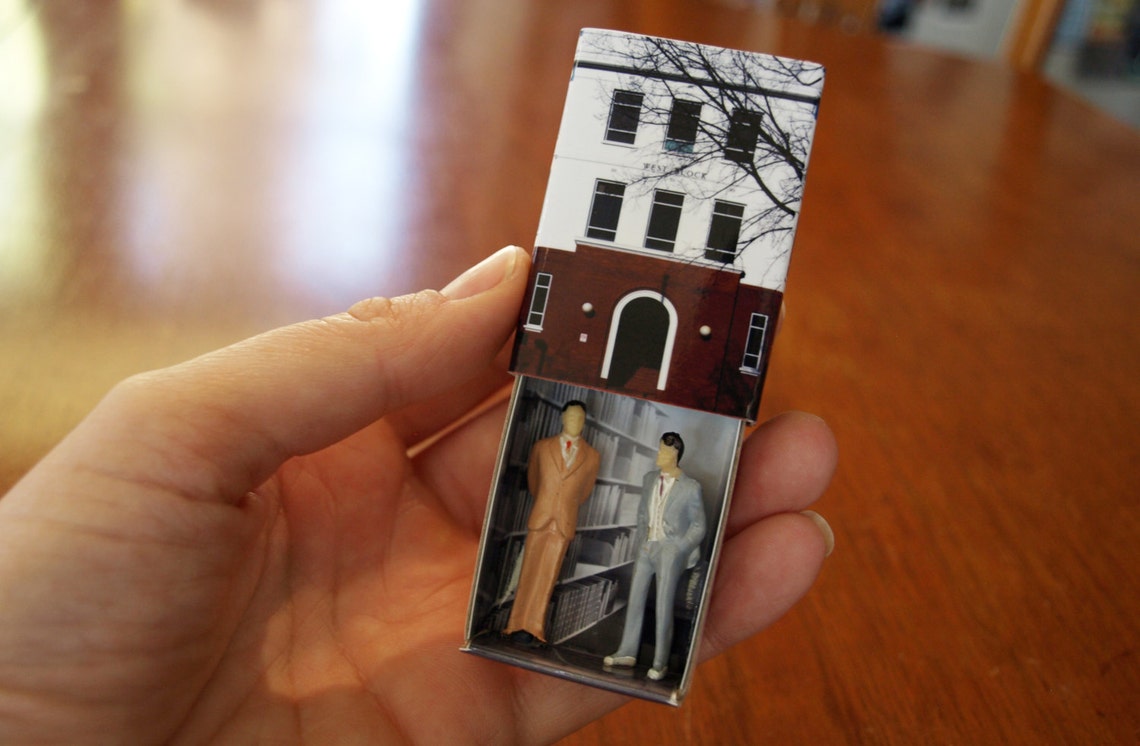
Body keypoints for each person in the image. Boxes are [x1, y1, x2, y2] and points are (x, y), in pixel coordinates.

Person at [0, 245, 837, 743]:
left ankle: (623, 645)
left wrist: (671, 543)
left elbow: (667, 522)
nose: (595, 429)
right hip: (540, 525)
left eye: (652, 442)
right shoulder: (550, 445)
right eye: (584, 415)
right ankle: (536, 624)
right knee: (530, 583)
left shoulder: (657, 479)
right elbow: (535, 475)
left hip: (599, 536)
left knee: (642, 607)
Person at [604, 432, 705, 680]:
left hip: (669, 550)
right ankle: (627, 651)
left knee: (663, 604)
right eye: (659, 450)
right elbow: (642, 513)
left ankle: (660, 662)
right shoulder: (649, 479)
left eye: (663, 451)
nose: (658, 455)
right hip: (647, 546)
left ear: (674, 455)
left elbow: (699, 525)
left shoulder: (691, 487)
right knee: (634, 598)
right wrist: (641, 539)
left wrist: (680, 546)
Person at [504, 400, 600, 645]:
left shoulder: (592, 456)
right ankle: (516, 624)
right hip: (541, 515)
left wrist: (564, 505)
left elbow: (585, 492)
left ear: (584, 422)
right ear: (562, 418)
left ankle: (534, 628)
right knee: (529, 570)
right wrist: (547, 502)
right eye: (570, 417)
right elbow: (534, 481)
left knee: (548, 575)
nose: (574, 422)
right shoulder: (542, 447)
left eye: (579, 418)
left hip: (564, 520)